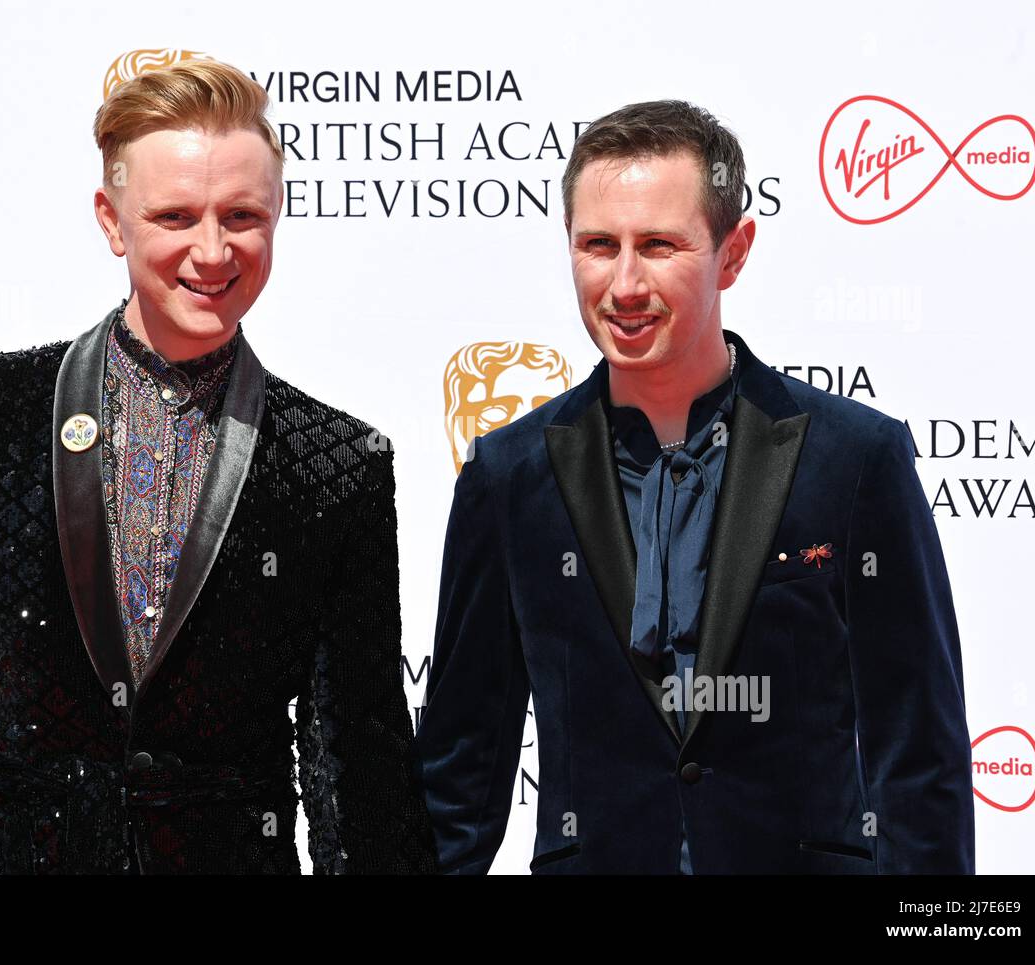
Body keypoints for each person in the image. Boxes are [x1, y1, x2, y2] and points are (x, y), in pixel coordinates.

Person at [0, 56, 437, 874]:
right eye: (176, 216)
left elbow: (357, 762)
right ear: (113, 222)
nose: (213, 250)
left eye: (243, 216)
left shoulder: (335, 462)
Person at [414, 100, 974, 874]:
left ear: (733, 252)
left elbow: (919, 754)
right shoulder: (509, 476)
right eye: (599, 245)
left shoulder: (854, 459)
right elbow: (461, 769)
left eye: (659, 245)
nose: (625, 283)